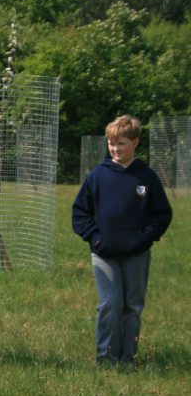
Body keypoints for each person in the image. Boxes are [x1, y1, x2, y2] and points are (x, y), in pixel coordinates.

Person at [72, 115, 172, 368]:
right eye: (111, 144)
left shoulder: (146, 177)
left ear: (136, 142)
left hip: (137, 254)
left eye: (122, 144)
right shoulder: (98, 176)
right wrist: (95, 238)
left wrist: (145, 238)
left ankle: (128, 356)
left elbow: (162, 214)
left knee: (132, 306)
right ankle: (105, 357)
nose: (116, 149)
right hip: (104, 253)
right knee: (110, 303)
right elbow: (80, 213)